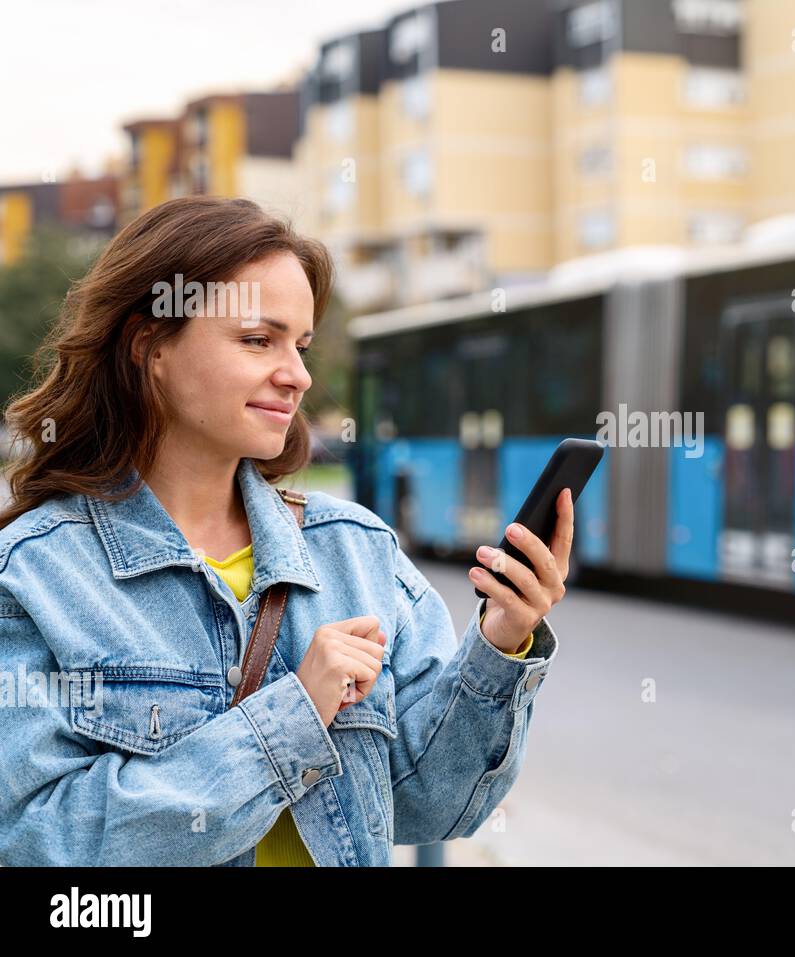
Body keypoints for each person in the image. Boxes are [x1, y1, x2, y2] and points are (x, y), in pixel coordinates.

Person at [0, 195, 569, 866]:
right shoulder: (34, 575)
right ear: (150, 345)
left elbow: (429, 804)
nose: (297, 375)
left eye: (299, 345)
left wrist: (500, 642)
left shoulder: (356, 550)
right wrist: (293, 716)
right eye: (257, 339)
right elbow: (42, 841)